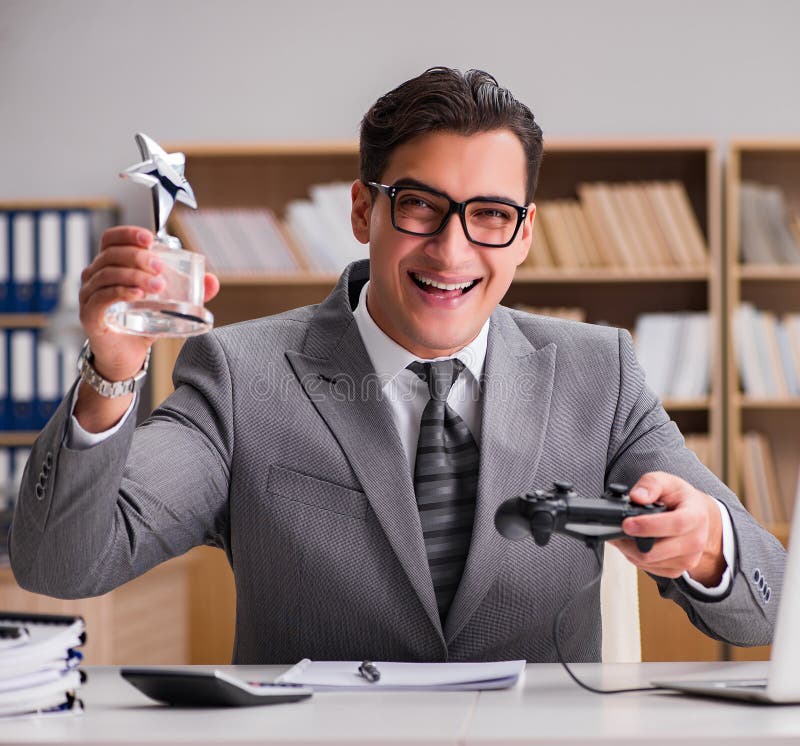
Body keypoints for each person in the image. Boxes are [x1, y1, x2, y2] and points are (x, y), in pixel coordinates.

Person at [10, 67, 785, 664]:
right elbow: (63, 563)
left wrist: (709, 543)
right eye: (419, 205)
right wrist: (112, 370)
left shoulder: (599, 374)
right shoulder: (242, 374)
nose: (452, 250)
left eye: (489, 215)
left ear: (524, 234)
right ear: (363, 211)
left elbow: (772, 605)